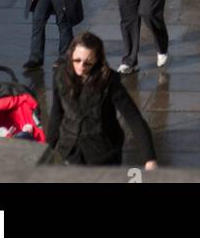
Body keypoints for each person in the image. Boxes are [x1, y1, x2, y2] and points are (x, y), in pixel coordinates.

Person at [47, 32, 157, 169]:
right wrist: (47, 149)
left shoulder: (109, 80)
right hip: (70, 149)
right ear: (71, 56)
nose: (81, 66)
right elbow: (56, 113)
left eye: (88, 62)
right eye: (77, 60)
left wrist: (149, 158)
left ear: (97, 59)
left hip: (103, 152)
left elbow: (134, 118)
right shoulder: (60, 76)